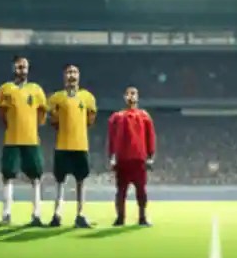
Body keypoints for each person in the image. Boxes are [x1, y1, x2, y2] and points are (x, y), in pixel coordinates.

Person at [0, 55, 48, 226]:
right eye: (19, 67)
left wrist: (31, 128)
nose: (22, 70)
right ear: (14, 69)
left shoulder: (36, 90)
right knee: (8, 176)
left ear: (28, 69)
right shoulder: (6, 89)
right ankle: (6, 214)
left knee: (36, 176)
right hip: (11, 139)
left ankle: (36, 214)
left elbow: (42, 114)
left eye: (24, 67)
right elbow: (2, 114)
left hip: (31, 140)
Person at [46, 64, 97, 228]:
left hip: (81, 145)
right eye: (69, 72)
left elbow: (90, 118)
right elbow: (52, 120)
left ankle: (80, 214)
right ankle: (57, 214)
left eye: (74, 72)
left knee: (81, 181)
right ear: (64, 76)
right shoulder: (56, 98)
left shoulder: (87, 97)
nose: (71, 75)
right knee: (60, 181)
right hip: (62, 145)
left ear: (79, 76)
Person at [108, 86, 156, 226]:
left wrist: (151, 155)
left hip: (139, 159)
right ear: (124, 97)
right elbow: (112, 138)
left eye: (133, 93)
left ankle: (142, 217)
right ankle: (120, 217)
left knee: (141, 190)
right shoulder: (117, 117)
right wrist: (111, 156)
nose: (131, 96)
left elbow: (150, 137)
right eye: (128, 94)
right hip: (122, 159)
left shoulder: (144, 116)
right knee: (121, 191)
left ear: (137, 97)